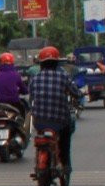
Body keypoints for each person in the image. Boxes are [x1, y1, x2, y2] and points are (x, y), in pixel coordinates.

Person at [27, 46, 83, 177]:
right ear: (57, 63)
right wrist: (79, 95)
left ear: (41, 63)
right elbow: (75, 92)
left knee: (39, 134)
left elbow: (31, 97)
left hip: (39, 121)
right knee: (65, 137)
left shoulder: (35, 78)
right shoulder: (63, 76)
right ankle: (65, 163)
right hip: (59, 121)